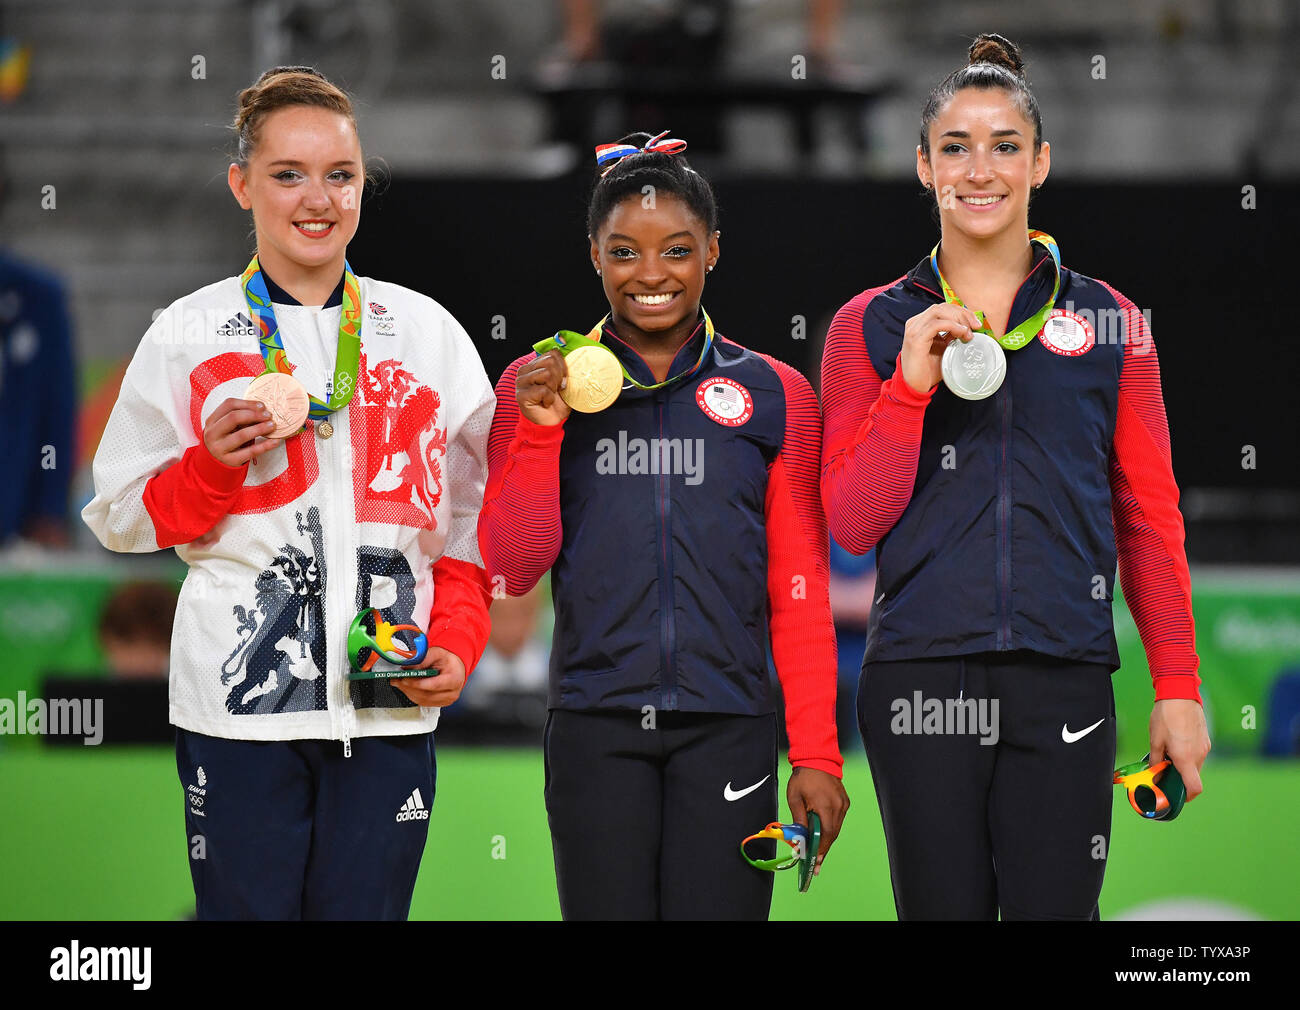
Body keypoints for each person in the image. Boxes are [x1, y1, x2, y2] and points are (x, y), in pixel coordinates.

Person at [81, 66, 495, 920]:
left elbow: (472, 523)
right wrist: (211, 467)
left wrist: (457, 638)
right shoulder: (187, 332)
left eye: (340, 175)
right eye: (287, 174)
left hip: (390, 703)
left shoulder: (426, 333)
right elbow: (119, 515)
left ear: (361, 186)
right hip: (239, 715)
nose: (318, 199)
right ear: (242, 184)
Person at [820, 34, 1210, 921]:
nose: (979, 168)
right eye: (955, 146)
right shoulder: (868, 327)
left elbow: (1148, 516)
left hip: (1063, 672)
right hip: (920, 676)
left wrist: (1178, 687)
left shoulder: (1109, 320)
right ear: (923, 167)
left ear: (1041, 161)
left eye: (1004, 145)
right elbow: (850, 522)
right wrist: (909, 391)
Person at [478, 131, 849, 920]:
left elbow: (799, 588)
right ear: (594, 257)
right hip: (593, 728)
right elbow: (512, 567)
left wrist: (815, 751)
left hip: (730, 728)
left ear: (713, 250)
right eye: (624, 252)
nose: (651, 276)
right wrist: (542, 429)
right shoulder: (535, 383)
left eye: (676, 250)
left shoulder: (777, 394)